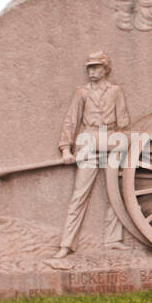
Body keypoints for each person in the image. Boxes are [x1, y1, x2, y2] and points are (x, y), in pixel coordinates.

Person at [53, 51, 128, 258]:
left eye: (96, 67)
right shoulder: (82, 93)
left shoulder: (115, 91)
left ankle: (113, 239)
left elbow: (123, 121)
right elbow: (71, 120)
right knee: (79, 196)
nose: (92, 71)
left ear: (105, 69)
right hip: (88, 142)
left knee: (116, 195)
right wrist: (66, 149)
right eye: (90, 67)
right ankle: (66, 244)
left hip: (111, 141)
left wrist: (120, 144)